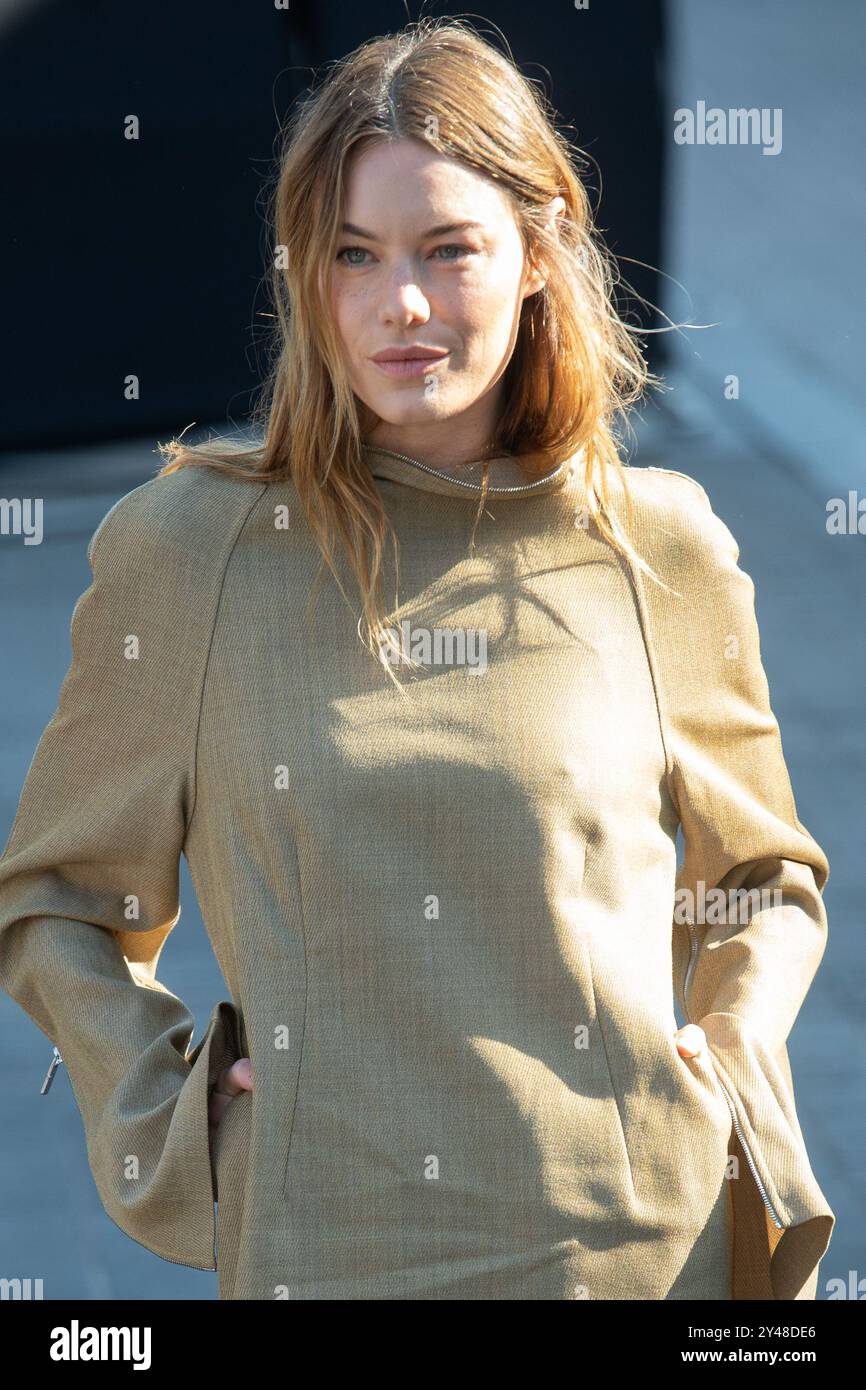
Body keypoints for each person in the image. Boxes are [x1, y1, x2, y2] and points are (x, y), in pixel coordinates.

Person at [0, 18, 834, 1300]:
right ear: (304, 273)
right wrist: (180, 1115)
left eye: (448, 250)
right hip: (327, 1256)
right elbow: (56, 897)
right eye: (353, 255)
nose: (399, 303)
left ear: (541, 250)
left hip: (638, 1255)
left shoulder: (655, 542)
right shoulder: (190, 550)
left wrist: (724, 1052)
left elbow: (765, 877)